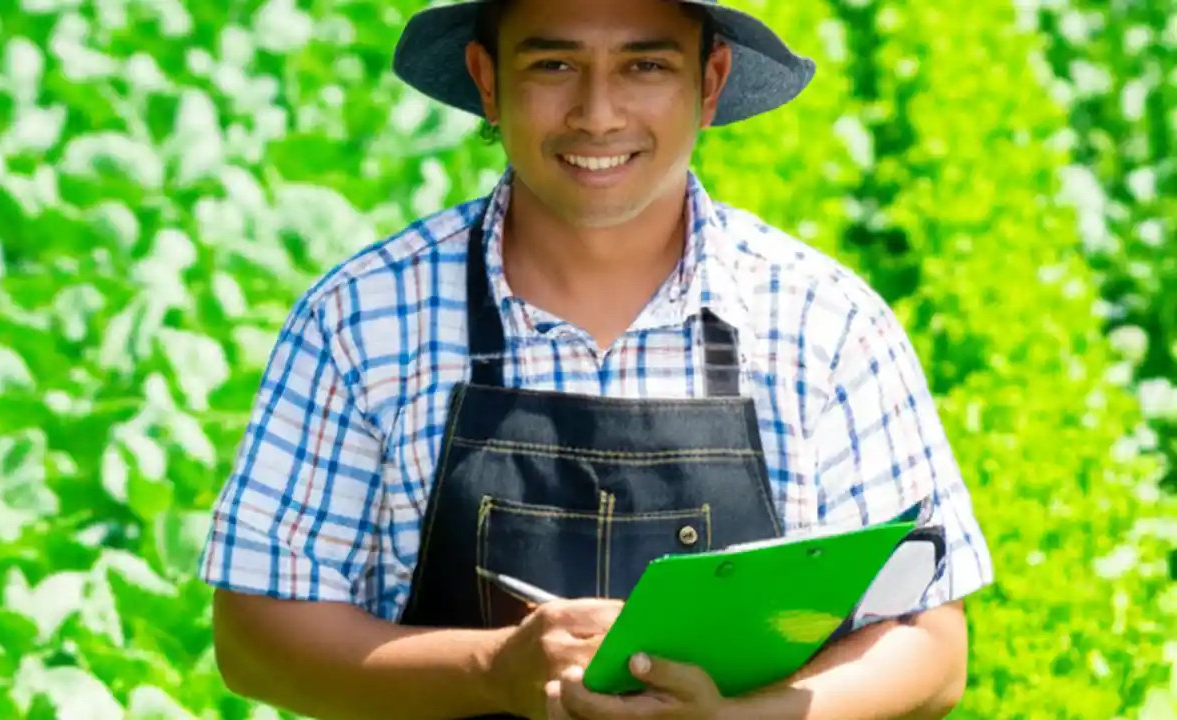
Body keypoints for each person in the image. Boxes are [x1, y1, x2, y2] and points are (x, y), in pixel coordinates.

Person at [197, 0, 994, 717]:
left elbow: (927, 644)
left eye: (645, 65)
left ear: (710, 82)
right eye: (554, 64)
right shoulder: (361, 320)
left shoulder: (825, 324)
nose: (598, 113)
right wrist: (490, 669)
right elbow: (258, 633)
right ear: (487, 79)